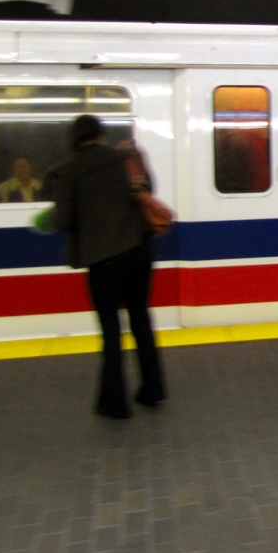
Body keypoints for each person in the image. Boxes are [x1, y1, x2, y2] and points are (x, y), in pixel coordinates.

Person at [42, 115, 166, 419]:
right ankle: (153, 390)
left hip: (103, 261)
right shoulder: (125, 158)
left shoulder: (66, 173)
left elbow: (62, 222)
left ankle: (116, 403)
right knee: (140, 320)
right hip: (138, 253)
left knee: (111, 332)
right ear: (101, 134)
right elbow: (148, 189)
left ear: (74, 139)